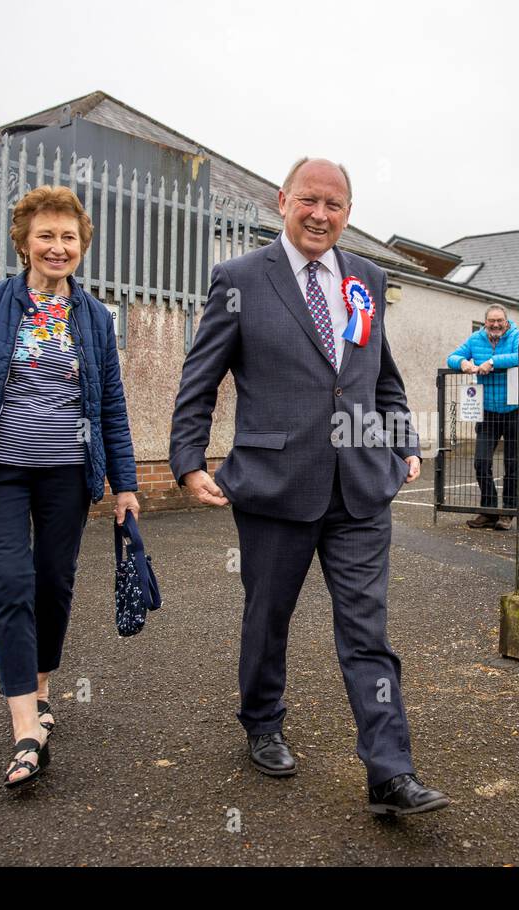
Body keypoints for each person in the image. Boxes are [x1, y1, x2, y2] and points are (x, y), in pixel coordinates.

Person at [169, 158, 449, 817]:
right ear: (282, 201)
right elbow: (200, 380)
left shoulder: (368, 279)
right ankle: (262, 721)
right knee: (268, 617)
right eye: (309, 201)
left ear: (348, 212)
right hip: (274, 486)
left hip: (359, 489)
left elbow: (383, 382)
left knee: (367, 632)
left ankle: (390, 772)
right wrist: (188, 461)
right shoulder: (239, 280)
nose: (321, 214)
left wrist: (402, 442)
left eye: (335, 204)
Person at [0, 186, 140, 788]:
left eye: (68, 237)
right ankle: (26, 727)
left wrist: (124, 485)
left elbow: (111, 408)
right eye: (45, 235)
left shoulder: (95, 317)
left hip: (68, 474)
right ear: (23, 243)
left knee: (53, 582)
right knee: (11, 582)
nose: (57, 246)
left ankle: (42, 685)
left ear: (82, 246)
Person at [447, 305, 519, 530]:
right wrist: (463, 363)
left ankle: (507, 513)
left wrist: (493, 362)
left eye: (499, 321)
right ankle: (488, 510)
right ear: (485, 322)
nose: (496, 325)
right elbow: (452, 356)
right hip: (487, 412)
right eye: (491, 321)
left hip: (515, 410)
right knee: (481, 462)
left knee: (513, 465)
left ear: (506, 322)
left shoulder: (517, 336)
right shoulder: (476, 339)